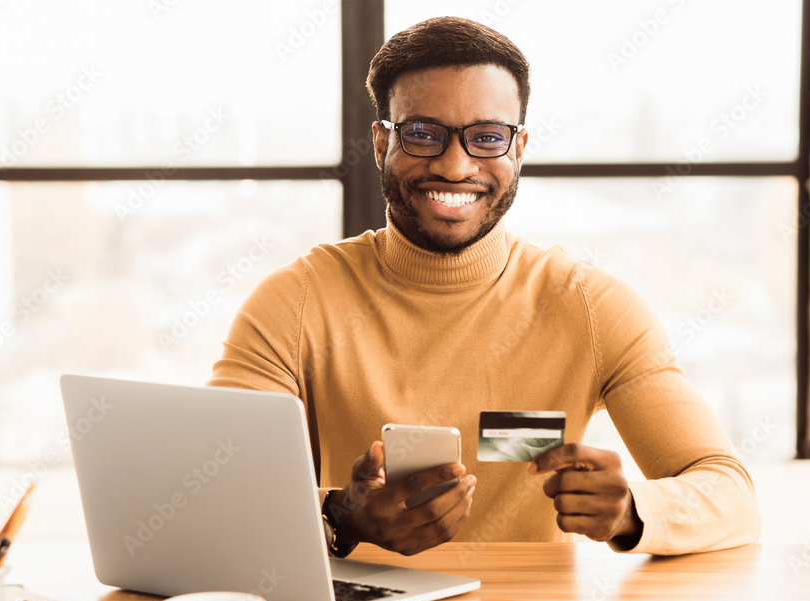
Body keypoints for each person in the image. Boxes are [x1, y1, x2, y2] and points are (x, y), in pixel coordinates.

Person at [209, 16, 760, 557]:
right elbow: (209, 493)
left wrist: (632, 512)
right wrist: (338, 517)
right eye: (423, 134)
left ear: (518, 149)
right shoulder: (296, 301)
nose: (454, 166)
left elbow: (731, 495)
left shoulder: (591, 306)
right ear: (381, 144)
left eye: (487, 138)